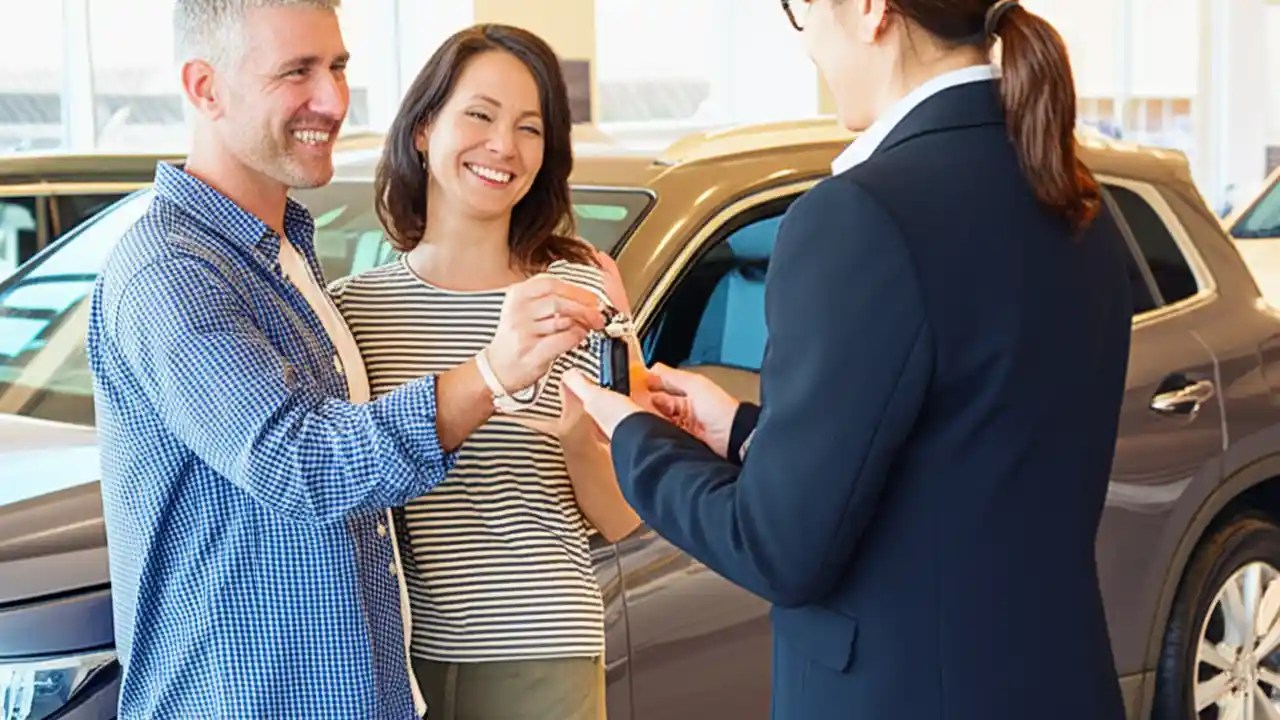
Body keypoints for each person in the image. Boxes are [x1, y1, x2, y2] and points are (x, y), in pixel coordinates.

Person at [566, 1, 1132, 718]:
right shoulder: (1074, 195)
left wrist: (631, 437)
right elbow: (956, 459)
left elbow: (776, 548)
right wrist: (742, 431)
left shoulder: (858, 214)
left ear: (869, 11)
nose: (803, 38)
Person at [85, 3, 602, 719]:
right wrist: (490, 373)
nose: (331, 100)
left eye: (337, 67)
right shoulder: (171, 269)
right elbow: (305, 464)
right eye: (296, 71)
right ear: (205, 88)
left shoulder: (287, 259)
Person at [328, 24, 642, 720]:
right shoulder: (354, 311)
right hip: (393, 656)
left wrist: (573, 437)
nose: (504, 146)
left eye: (530, 128)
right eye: (480, 114)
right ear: (422, 129)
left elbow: (621, 515)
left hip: (540, 650)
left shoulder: (581, 293)